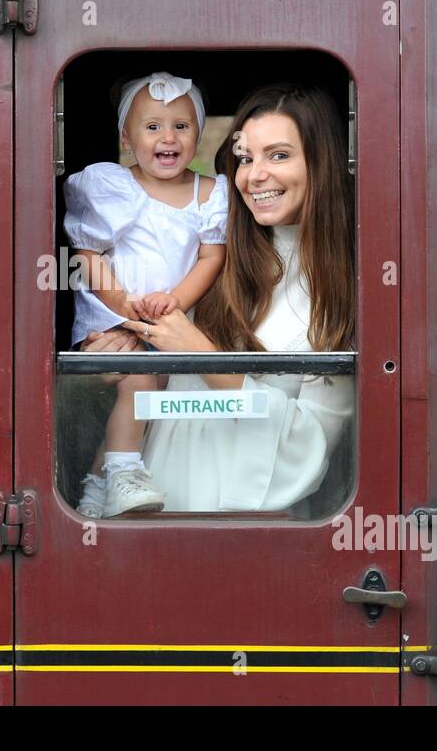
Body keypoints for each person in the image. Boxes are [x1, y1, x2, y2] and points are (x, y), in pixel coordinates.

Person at [82, 84, 355, 512]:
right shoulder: (203, 262)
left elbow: (311, 445)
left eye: (278, 155)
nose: (254, 175)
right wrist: (106, 364)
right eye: (246, 158)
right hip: (150, 512)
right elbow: (143, 391)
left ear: (322, 163)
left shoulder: (346, 291)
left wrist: (204, 356)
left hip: (249, 533)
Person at [63, 72, 229, 518]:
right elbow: (88, 256)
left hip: (173, 322)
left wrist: (173, 301)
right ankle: (122, 472)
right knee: (141, 384)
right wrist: (123, 305)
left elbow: (211, 259)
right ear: (125, 136)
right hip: (115, 320)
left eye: (181, 125)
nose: (167, 137)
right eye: (152, 126)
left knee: (150, 401)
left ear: (198, 133)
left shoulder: (210, 193)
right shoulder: (111, 185)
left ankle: (97, 490)